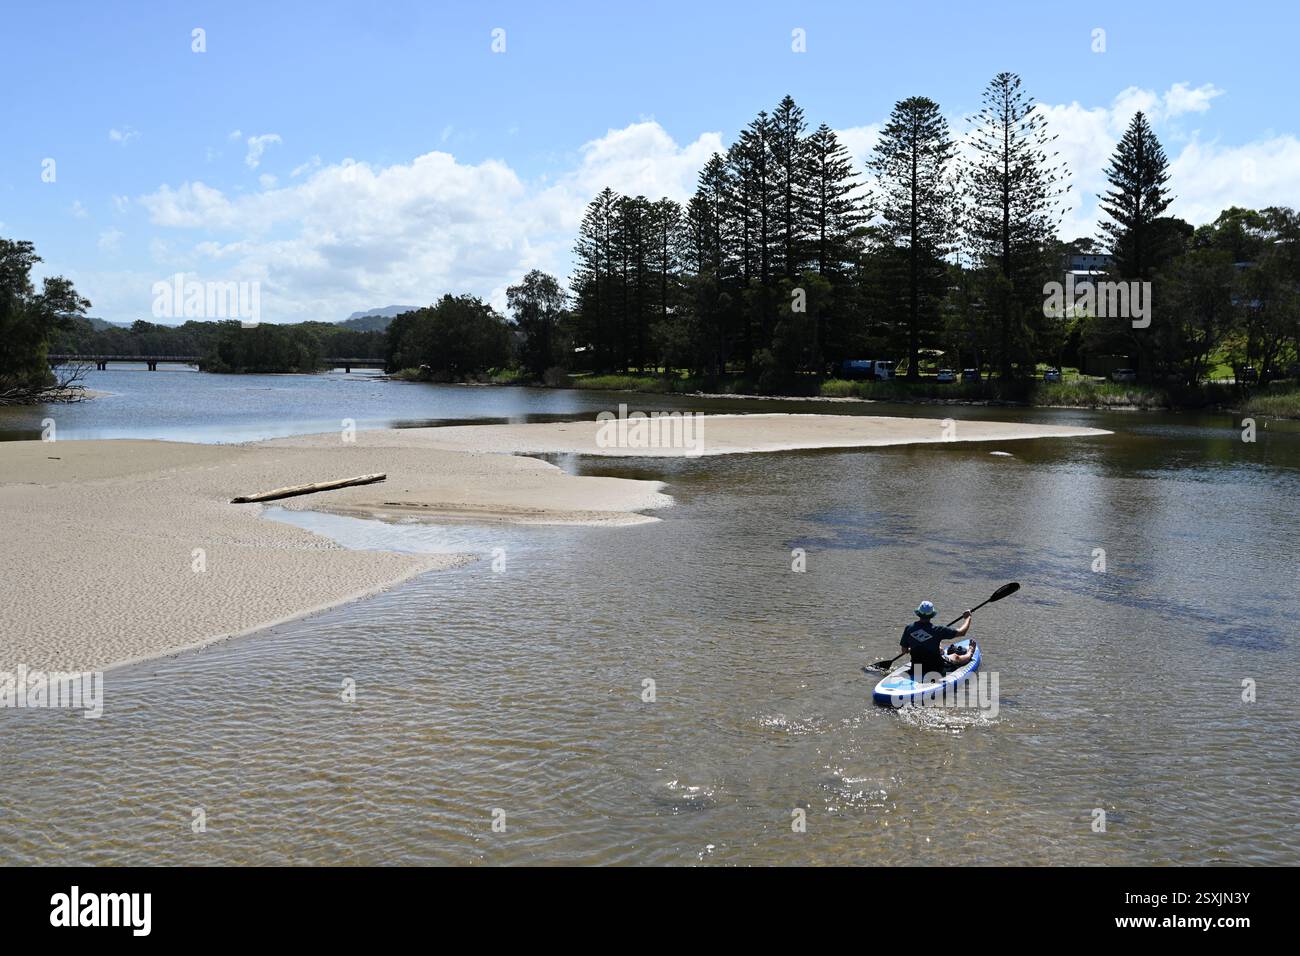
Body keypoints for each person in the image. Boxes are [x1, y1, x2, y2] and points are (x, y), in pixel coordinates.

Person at [900, 600, 974, 675]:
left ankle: (938, 649)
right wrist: (968, 618)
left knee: (937, 646)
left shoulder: (909, 628)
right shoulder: (938, 630)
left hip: (916, 668)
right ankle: (970, 652)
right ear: (932, 614)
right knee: (955, 657)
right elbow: (962, 632)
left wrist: (914, 647)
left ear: (918, 613)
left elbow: (904, 650)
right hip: (936, 669)